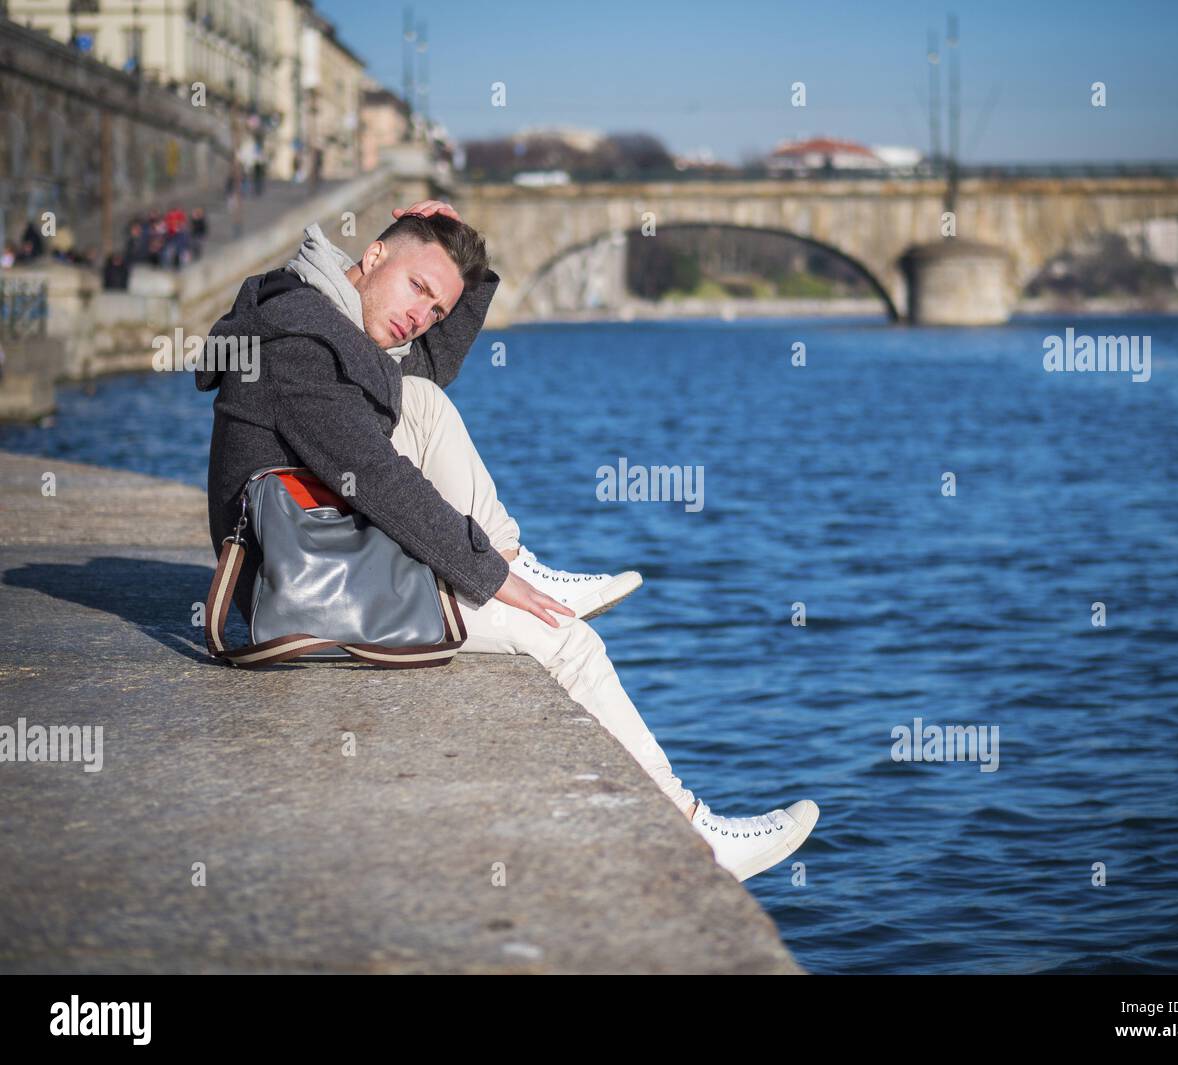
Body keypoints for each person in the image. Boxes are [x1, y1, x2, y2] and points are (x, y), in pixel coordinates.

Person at [196, 202, 819, 882]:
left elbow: (425, 371)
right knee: (565, 640)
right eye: (418, 290)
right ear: (372, 256)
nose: (421, 316)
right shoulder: (299, 343)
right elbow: (380, 480)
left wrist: (471, 273)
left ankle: (519, 560)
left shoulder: (320, 311)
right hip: (306, 580)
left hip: (319, 546)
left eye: (436, 308)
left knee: (424, 402)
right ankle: (698, 839)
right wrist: (488, 577)